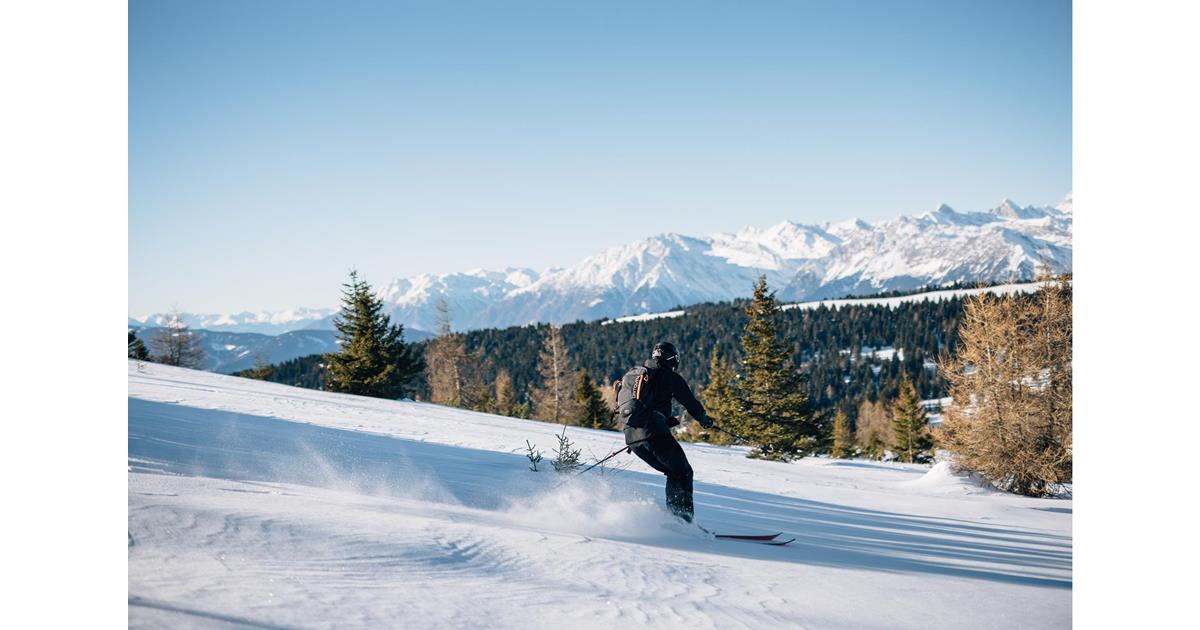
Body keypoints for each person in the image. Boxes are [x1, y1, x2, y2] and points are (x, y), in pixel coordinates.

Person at [619, 341, 713, 522]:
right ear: (674, 359)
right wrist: (704, 419)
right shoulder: (669, 376)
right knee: (683, 473)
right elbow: (689, 401)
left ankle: (675, 521)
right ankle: (682, 522)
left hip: (632, 438)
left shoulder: (639, 374)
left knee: (674, 472)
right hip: (654, 434)